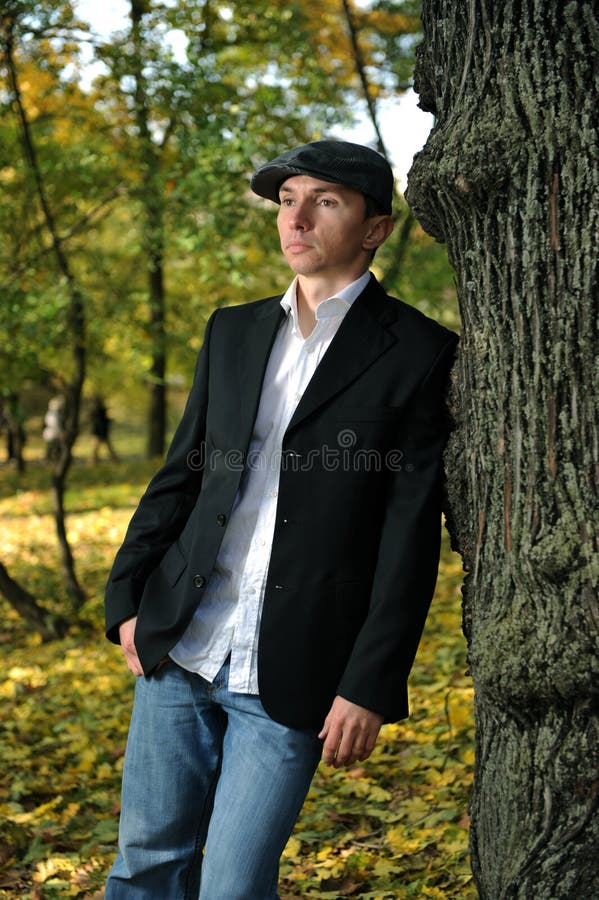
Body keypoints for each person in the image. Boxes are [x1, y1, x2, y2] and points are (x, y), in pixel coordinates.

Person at [103, 139, 458, 899]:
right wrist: (125, 601)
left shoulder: (420, 352)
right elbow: (180, 474)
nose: (295, 217)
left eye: (325, 200)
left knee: (232, 886)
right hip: (182, 642)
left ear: (374, 228)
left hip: (294, 665)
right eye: (287, 198)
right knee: (145, 865)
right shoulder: (230, 331)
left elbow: (407, 536)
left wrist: (369, 684)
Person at [89, 395, 120, 464]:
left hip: (99, 432)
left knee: (97, 449)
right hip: (99, 432)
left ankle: (93, 462)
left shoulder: (98, 412)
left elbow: (100, 422)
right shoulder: (99, 412)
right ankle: (93, 462)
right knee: (96, 449)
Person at [42, 395, 65, 462]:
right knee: (53, 447)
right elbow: (55, 425)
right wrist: (60, 433)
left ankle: (51, 458)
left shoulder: (52, 413)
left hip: (52, 432)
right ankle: (51, 458)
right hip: (53, 433)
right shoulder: (54, 414)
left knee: (52, 446)